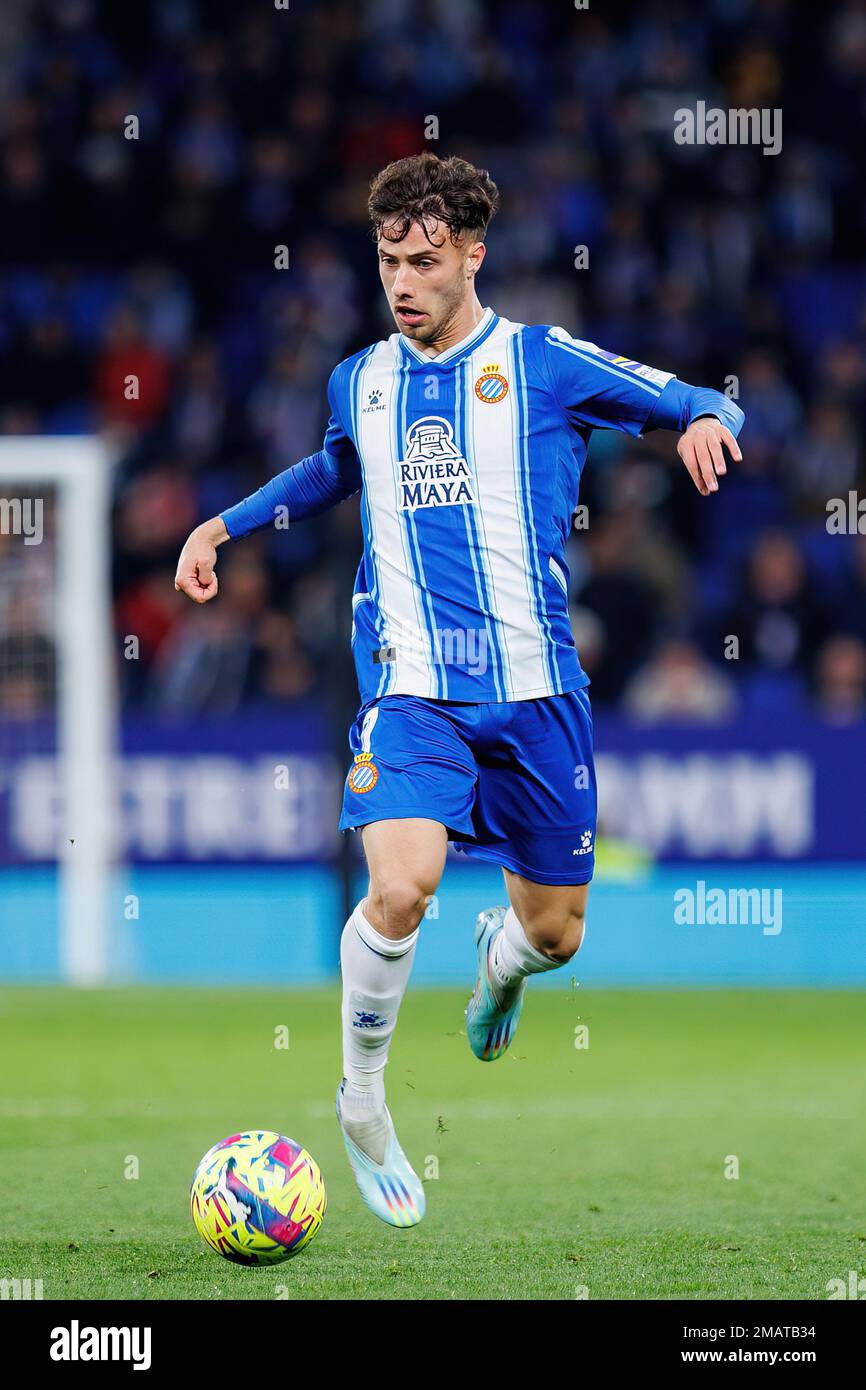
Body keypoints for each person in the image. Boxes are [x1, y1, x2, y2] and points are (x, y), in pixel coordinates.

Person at [174, 152, 744, 1228]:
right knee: (399, 885)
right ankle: (362, 1097)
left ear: (472, 257)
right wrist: (221, 523)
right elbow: (330, 467)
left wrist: (711, 420)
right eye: (387, 258)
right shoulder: (361, 376)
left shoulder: (538, 363)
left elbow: (688, 397)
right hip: (410, 685)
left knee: (558, 931)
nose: (401, 280)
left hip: (537, 694)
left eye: (424, 261)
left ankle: (502, 962)